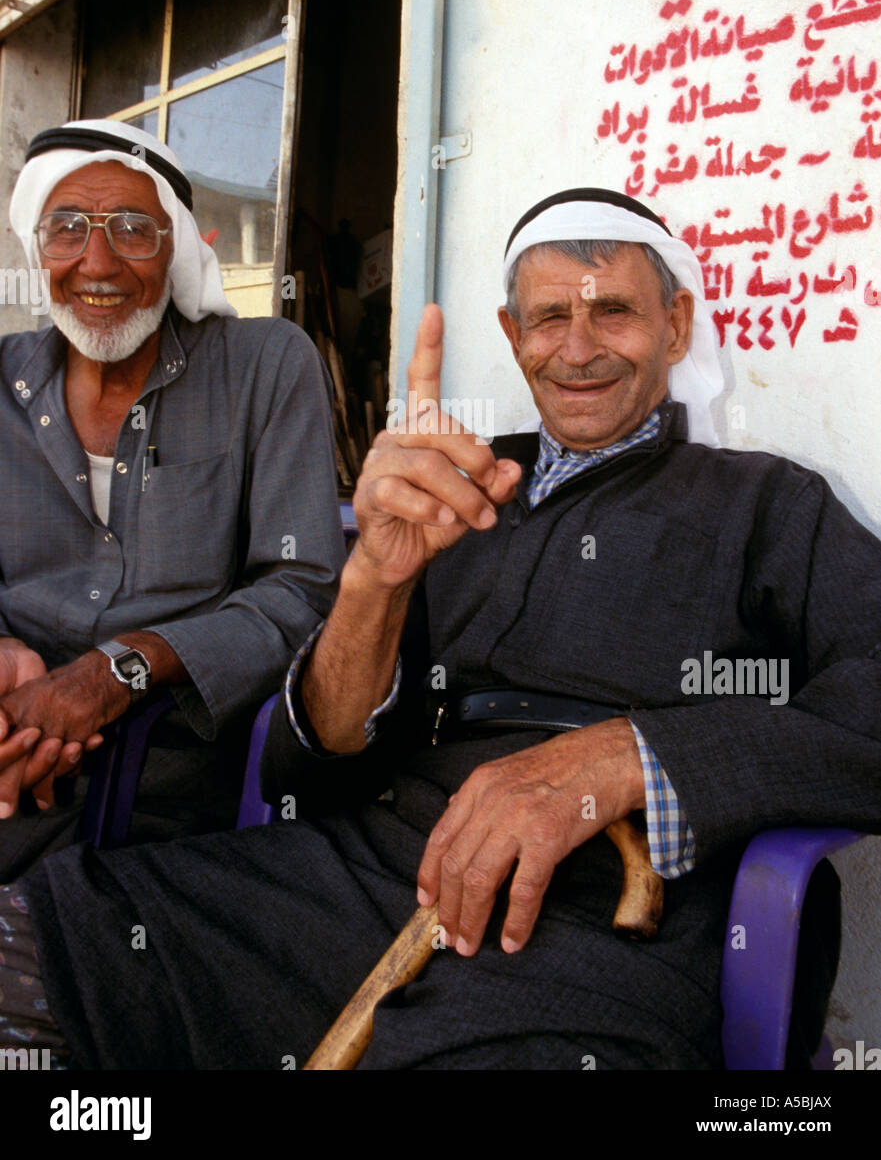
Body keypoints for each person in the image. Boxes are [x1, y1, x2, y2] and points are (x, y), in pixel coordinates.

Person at [2, 187, 879, 1069]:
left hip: (601, 919)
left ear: (676, 326)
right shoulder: (450, 484)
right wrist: (375, 581)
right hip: (365, 869)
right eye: (546, 320)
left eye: (612, 311)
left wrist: (627, 759)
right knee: (41, 945)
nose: (576, 350)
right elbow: (313, 762)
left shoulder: (766, 503)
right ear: (511, 336)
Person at [0, 119, 344, 882]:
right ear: (36, 245)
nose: (97, 263)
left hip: (169, 777)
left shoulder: (265, 365)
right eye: (66, 229)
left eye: (132, 230)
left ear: (179, 246)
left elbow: (304, 588)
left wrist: (117, 671)